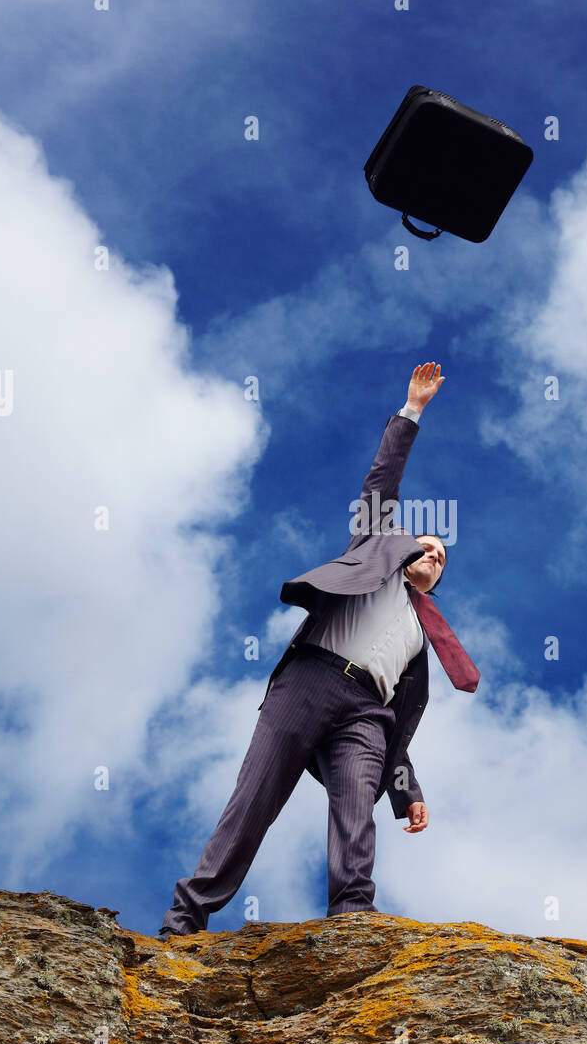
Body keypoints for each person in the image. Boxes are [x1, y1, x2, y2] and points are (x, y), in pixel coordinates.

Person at [159, 362, 479, 937]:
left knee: (357, 809)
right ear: (403, 551)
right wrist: (413, 411)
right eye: (426, 545)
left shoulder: (421, 638)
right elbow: (381, 485)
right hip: (311, 679)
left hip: (367, 714)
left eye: (442, 557)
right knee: (254, 798)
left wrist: (407, 794)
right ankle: (188, 916)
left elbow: (399, 735)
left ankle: (353, 916)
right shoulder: (373, 559)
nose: (434, 553)